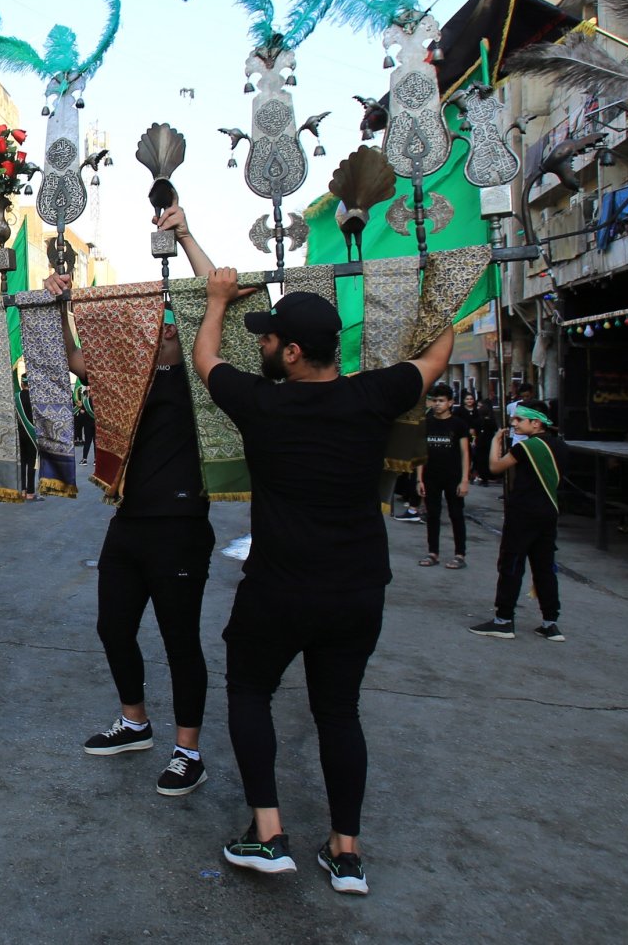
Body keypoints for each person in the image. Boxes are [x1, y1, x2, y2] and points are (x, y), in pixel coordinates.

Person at [192, 269, 453, 896]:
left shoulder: (262, 402)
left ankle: (269, 834)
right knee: (339, 712)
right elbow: (437, 355)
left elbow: (205, 359)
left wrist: (218, 300)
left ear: (292, 352)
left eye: (266, 339)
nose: (259, 345)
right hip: (355, 591)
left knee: (249, 691)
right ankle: (346, 852)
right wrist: (436, 286)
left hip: (278, 588)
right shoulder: (374, 394)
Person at [52, 200, 217, 797]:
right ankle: (135, 722)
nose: (164, 328)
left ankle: (188, 751)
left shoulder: (201, 375)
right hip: (129, 520)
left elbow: (213, 297)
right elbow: (75, 359)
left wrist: (187, 235)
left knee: (180, 640)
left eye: (172, 322)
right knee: (112, 626)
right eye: (158, 323)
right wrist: (62, 306)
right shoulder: (126, 376)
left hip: (181, 521)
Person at [469, 404, 566, 642]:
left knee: (511, 565)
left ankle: (503, 620)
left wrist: (495, 442)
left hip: (523, 513)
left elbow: (495, 467)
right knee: (544, 567)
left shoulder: (527, 447)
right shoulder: (561, 446)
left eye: (519, 419)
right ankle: (550, 622)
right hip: (548, 512)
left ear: (536, 422)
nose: (513, 423)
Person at [416, 383, 471, 569]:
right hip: (431, 476)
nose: (437, 404)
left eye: (441, 401)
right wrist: (419, 479)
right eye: (434, 400)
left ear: (450, 402)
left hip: (453, 477)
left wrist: (465, 480)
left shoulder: (458, 424)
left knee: (456, 514)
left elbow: (465, 453)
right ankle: (433, 552)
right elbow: (420, 452)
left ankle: (460, 554)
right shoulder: (426, 423)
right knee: (432, 515)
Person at [462, 392, 496, 485]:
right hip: (489, 442)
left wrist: (473, 439)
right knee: (486, 459)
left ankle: (477, 475)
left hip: (479, 442)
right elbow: (495, 430)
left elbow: (472, 432)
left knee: (478, 459)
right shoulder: (492, 421)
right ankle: (485, 477)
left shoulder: (476, 421)